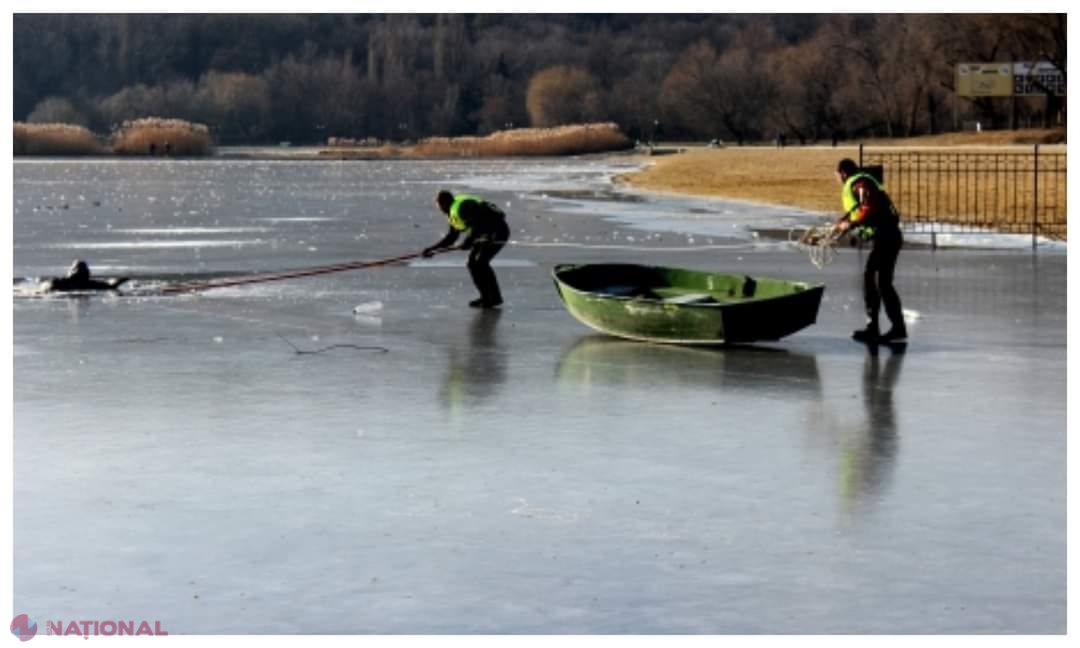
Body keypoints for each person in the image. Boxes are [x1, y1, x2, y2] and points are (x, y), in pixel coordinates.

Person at [832, 158, 907, 343]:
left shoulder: (859, 182)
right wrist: (844, 222)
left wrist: (850, 224)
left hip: (886, 236)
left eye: (837, 176)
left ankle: (878, 327)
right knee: (881, 282)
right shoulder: (862, 180)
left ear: (842, 173)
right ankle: (892, 328)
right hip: (888, 236)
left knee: (873, 279)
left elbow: (867, 206)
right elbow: (859, 208)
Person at [423, 190, 510, 308]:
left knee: (481, 263)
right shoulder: (453, 212)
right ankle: (485, 297)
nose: (438, 208)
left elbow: (478, 223)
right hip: (483, 235)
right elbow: (451, 238)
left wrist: (468, 241)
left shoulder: (463, 207)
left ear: (442, 204)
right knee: (472, 264)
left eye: (438, 204)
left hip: (498, 232)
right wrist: (432, 249)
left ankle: (494, 298)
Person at [41, 259, 128, 292]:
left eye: (83, 272)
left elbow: (109, 285)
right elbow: (46, 285)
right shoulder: (60, 283)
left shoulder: (90, 284)